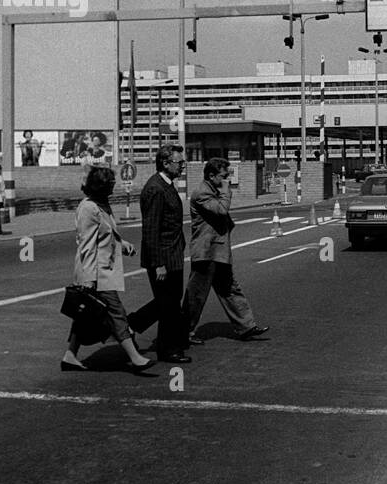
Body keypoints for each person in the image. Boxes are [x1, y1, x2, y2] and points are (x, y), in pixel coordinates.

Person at [61, 166, 156, 372]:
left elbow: (107, 233)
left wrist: (122, 243)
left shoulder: (102, 204)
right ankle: (135, 357)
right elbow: (86, 244)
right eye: (110, 184)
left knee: (86, 314)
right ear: (99, 186)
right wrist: (87, 279)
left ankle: (70, 355)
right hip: (95, 272)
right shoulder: (89, 208)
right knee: (116, 312)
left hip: (104, 269)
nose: (114, 187)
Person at [182, 158, 269, 343]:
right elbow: (221, 210)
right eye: (223, 175)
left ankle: (246, 326)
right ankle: (183, 332)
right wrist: (226, 191)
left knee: (230, 289)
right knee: (196, 295)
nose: (226, 179)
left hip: (218, 251)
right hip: (206, 252)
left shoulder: (213, 190)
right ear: (211, 175)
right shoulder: (201, 193)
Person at [133, 144, 192, 364]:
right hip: (163, 258)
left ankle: (133, 326)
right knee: (167, 304)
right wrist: (158, 264)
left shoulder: (166, 185)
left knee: (169, 301)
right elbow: (151, 229)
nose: (182, 166)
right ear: (166, 163)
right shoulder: (155, 188)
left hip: (173, 254)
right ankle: (168, 350)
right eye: (179, 162)